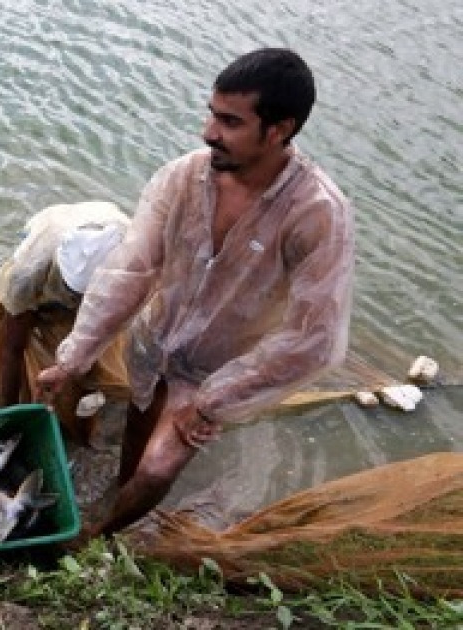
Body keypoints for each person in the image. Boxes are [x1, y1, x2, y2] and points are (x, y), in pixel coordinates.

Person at [37, 48, 355, 540]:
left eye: (230, 121)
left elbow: (315, 338)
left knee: (158, 470)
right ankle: (117, 504)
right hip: (155, 340)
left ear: (279, 130)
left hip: (216, 369)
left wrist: (214, 401)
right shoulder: (185, 175)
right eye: (211, 113)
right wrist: (74, 358)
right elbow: (132, 269)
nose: (209, 131)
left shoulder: (317, 213)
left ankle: (99, 537)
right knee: (138, 429)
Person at [0, 202, 129, 422]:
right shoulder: (26, 274)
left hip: (103, 218)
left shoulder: (132, 251)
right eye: (73, 293)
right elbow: (12, 349)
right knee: (19, 328)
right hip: (48, 228)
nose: (78, 301)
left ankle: (75, 410)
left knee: (90, 352)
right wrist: (7, 415)